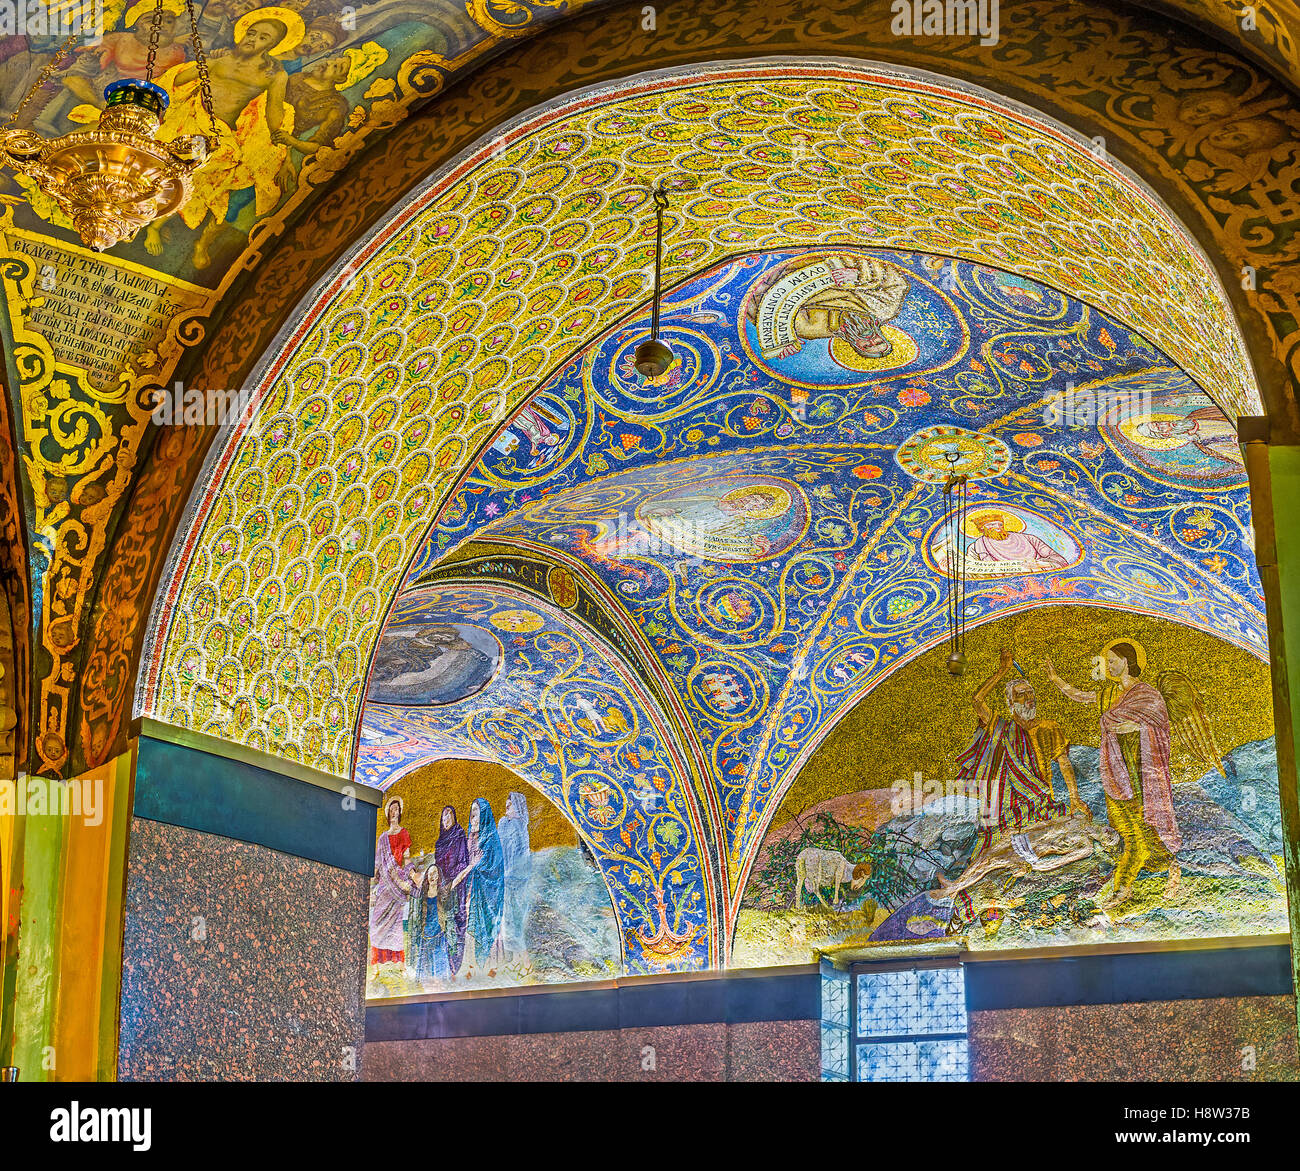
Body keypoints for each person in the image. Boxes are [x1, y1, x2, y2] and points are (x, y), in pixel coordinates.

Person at [1046, 640, 1182, 908]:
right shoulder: (1109, 694)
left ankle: (1123, 888)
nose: (1108, 665)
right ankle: (1166, 868)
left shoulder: (1148, 693)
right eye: (1107, 661)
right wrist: (1055, 679)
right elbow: (1081, 695)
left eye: (1112, 660)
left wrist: (1136, 725)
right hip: (1116, 772)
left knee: (1139, 832)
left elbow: (1160, 726)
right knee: (1127, 830)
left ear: (1127, 661)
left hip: (1139, 773)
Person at [449, 798, 505, 976]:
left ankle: (491, 965)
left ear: (485, 815)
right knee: (470, 922)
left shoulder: (491, 838)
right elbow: (468, 860)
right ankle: (471, 964)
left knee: (487, 924)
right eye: (472, 812)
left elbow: (493, 865)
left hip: (488, 891)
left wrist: (475, 865)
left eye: (477, 812)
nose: (473, 816)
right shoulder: (471, 836)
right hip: (472, 888)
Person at [368, 797, 411, 976]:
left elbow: (407, 858)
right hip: (384, 885)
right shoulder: (382, 838)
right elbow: (378, 864)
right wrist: (372, 885)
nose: (394, 812)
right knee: (377, 922)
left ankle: (400, 962)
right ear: (388, 814)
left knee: (395, 926)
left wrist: (409, 876)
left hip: (397, 884)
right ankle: (377, 963)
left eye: (396, 809)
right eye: (391, 810)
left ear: (400, 812)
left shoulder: (404, 833)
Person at [434, 805, 469, 975]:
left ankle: (457, 959)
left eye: (449, 815)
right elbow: (437, 866)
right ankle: (449, 961)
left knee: (458, 919)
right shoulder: (440, 842)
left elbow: (463, 861)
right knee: (445, 923)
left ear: (454, 817)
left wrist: (453, 882)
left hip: (457, 885)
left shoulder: (459, 835)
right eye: (444, 817)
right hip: (443, 888)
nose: (446, 819)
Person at [498, 791, 532, 961]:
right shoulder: (503, 824)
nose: (507, 808)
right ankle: (508, 950)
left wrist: (514, 873)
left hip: (518, 878)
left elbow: (524, 854)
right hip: (505, 877)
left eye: (510, 805)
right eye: (506, 805)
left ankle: (519, 949)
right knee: (507, 915)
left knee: (518, 913)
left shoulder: (520, 826)